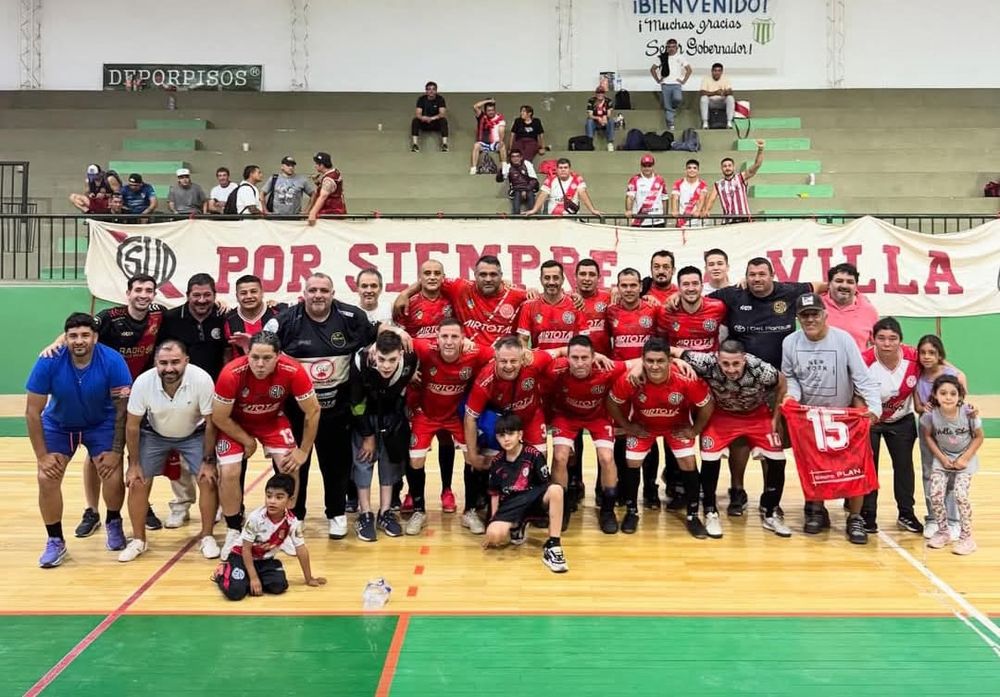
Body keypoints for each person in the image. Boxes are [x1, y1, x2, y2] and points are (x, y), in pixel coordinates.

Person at [265, 273, 407, 537]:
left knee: (337, 465)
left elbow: (377, 333)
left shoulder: (352, 317)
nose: (318, 295)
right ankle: (295, 516)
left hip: (337, 409)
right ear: (303, 292)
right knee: (295, 465)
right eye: (312, 290)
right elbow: (264, 346)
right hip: (298, 411)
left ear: (333, 293)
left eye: (324, 290)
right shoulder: (286, 321)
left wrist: (396, 330)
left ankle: (337, 513)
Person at [26, 313, 132, 567]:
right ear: (65, 338)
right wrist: (42, 456)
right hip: (60, 426)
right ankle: (55, 541)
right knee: (46, 477)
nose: (79, 340)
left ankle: (114, 522)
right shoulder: (48, 361)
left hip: (101, 424)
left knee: (113, 473)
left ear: (95, 337)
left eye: (85, 335)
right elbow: (32, 411)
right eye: (73, 336)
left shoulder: (112, 360)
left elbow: (122, 410)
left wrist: (117, 452)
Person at [780, 292, 882, 544]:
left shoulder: (843, 340)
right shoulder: (790, 342)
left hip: (843, 415)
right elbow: (791, 377)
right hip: (810, 416)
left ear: (825, 315)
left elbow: (861, 376)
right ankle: (816, 509)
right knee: (814, 465)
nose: (810, 319)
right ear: (798, 318)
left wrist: (875, 407)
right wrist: (791, 397)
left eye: (815, 314)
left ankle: (855, 517)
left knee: (853, 466)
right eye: (805, 315)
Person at [212, 331, 321, 560]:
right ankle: (234, 530)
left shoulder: (293, 370)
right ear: (247, 354)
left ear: (278, 356)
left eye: (267, 358)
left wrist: (303, 451)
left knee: (290, 466)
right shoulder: (231, 373)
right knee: (229, 472)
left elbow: (313, 410)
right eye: (255, 357)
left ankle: (286, 529)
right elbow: (220, 417)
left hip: (272, 421)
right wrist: (246, 440)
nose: (260, 364)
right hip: (236, 424)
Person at [677, 340, 790, 538]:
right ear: (718, 360)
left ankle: (771, 512)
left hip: (756, 414)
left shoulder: (760, 369)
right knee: (709, 458)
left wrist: (776, 418)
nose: (731, 369)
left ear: (744, 360)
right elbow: (670, 351)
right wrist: (680, 363)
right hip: (722, 414)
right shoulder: (705, 361)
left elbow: (782, 382)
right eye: (725, 364)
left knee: (778, 460)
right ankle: (711, 510)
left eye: (736, 364)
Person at [121, 340, 219, 562]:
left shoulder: (202, 379)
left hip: (194, 435)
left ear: (186, 361)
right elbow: (132, 425)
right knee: (137, 481)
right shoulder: (143, 382)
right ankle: (138, 540)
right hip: (155, 435)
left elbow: (212, 423)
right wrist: (133, 464)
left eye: (175, 362)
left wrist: (208, 460)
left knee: (207, 478)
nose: (169, 368)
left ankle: (207, 537)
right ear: (156, 362)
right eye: (163, 363)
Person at [607, 337, 714, 537]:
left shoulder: (686, 378)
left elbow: (707, 405)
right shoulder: (631, 379)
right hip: (644, 428)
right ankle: (631, 511)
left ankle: (692, 515)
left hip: (676, 427)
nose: (654, 366)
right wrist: (628, 426)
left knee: (689, 462)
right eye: (650, 361)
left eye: (660, 361)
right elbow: (612, 403)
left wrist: (695, 430)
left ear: (670, 361)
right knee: (631, 461)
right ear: (642, 360)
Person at [463, 338, 562, 533]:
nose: (508, 366)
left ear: (522, 358)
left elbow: (561, 351)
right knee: (495, 457)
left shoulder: (535, 360)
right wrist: (473, 454)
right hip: (504, 419)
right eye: (503, 361)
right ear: (496, 359)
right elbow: (469, 418)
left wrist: (599, 355)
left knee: (539, 458)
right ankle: (488, 502)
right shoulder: (485, 379)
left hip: (531, 415)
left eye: (513, 361)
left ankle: (535, 508)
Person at [407, 319, 489, 534]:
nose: (449, 341)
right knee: (416, 459)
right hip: (426, 414)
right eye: (444, 336)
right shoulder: (425, 348)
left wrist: (528, 355)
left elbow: (502, 354)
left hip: (456, 416)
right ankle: (419, 511)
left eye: (455, 337)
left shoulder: (475, 352)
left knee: (471, 457)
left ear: (463, 339)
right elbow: (400, 339)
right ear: (437, 338)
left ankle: (469, 511)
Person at [547, 336, 627, 534]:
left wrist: (675, 359)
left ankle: (608, 510)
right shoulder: (556, 368)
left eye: (585, 357)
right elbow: (531, 357)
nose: (580, 363)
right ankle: (561, 509)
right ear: (567, 358)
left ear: (593, 358)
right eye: (574, 357)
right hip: (565, 417)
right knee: (560, 457)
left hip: (598, 417)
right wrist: (558, 351)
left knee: (607, 458)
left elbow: (636, 363)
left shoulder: (606, 368)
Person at [606, 267, 667, 509]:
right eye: (624, 285)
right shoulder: (610, 311)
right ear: (618, 287)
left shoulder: (653, 309)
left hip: (648, 379)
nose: (629, 290)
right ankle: (624, 487)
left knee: (648, 434)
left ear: (641, 286)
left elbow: (662, 344)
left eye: (633, 285)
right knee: (622, 435)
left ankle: (651, 489)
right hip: (622, 381)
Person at [349, 331, 418, 541]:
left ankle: (385, 512)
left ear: (401, 354)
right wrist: (368, 436)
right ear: (374, 353)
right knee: (363, 461)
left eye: (392, 360)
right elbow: (356, 403)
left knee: (390, 463)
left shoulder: (411, 359)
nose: (386, 366)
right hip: (364, 415)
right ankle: (365, 513)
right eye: (381, 359)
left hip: (392, 416)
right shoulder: (361, 361)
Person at [213, 473, 326, 601]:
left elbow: (301, 549)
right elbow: (246, 549)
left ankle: (249, 576)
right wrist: (254, 578)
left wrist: (309, 578)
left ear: (290, 501)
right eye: (269, 496)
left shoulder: (292, 522)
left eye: (279, 497)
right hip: (241, 557)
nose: (272, 501)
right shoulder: (255, 518)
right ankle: (223, 572)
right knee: (236, 592)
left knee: (279, 586)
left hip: (265, 560)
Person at [482, 414, 568, 574]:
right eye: (501, 435)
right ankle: (516, 526)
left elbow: (545, 485)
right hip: (510, 504)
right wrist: (493, 520)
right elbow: (494, 493)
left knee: (556, 490)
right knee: (494, 535)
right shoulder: (496, 462)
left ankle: (554, 545)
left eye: (510, 434)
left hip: (532, 499)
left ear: (520, 435)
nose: (506, 439)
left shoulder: (533, 455)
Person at [860, 317, 923, 534]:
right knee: (869, 468)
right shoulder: (864, 361)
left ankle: (906, 513)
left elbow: (940, 364)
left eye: (893, 339)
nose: (887, 343)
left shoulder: (914, 357)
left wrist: (959, 377)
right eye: (882, 338)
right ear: (873, 340)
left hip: (902, 420)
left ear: (901, 341)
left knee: (904, 467)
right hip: (871, 421)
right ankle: (867, 514)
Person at [709, 257, 822, 370]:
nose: (757, 279)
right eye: (752, 275)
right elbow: (700, 302)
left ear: (772, 275)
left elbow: (821, 286)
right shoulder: (733, 294)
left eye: (762, 274)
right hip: (742, 375)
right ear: (746, 277)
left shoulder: (789, 291)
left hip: (783, 372)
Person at [394, 254, 528, 349]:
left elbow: (539, 300)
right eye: (483, 274)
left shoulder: (516, 295)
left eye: (493, 275)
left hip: (502, 360)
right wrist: (405, 293)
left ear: (501, 276)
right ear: (475, 275)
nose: (488, 279)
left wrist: (532, 291)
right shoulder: (461, 288)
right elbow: (432, 280)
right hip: (468, 354)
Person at [920, 375, 981, 555]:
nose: (948, 397)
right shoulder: (931, 415)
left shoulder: (968, 412)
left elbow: (979, 437)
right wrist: (941, 457)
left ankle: (967, 538)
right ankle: (944, 531)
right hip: (943, 458)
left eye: (953, 393)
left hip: (965, 458)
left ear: (960, 395)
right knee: (935, 494)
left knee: (961, 495)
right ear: (935, 395)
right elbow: (928, 436)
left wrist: (965, 458)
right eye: (943, 393)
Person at [913, 334, 966, 540]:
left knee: (951, 474)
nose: (927, 357)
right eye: (923, 353)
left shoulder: (954, 375)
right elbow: (917, 407)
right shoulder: (916, 377)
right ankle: (934, 519)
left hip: (951, 432)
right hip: (928, 430)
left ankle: (953, 521)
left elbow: (962, 402)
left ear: (940, 355)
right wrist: (922, 407)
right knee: (930, 473)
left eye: (932, 353)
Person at [516, 260, 587, 350]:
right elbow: (522, 339)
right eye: (547, 278)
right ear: (541, 279)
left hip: (567, 362)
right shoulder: (529, 306)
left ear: (563, 279)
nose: (551, 282)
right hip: (541, 361)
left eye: (556, 278)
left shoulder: (576, 304)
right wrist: (527, 355)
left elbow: (584, 341)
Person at [658, 266, 727, 353]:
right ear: (678, 288)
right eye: (686, 284)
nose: (691, 289)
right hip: (679, 364)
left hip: (709, 364)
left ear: (702, 286)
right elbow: (661, 343)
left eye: (695, 283)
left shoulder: (718, 307)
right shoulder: (666, 311)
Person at [223, 275, 287, 357]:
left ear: (262, 293)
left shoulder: (279, 316)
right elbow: (227, 353)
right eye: (243, 293)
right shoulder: (227, 319)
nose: (249, 296)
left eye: (253, 291)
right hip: (240, 369)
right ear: (237, 296)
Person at [701, 142, 766, 223]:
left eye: (729, 165)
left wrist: (760, 149)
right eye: (725, 166)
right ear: (721, 168)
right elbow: (712, 199)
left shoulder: (741, 177)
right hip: (728, 221)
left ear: (733, 167)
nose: (727, 168)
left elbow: (757, 165)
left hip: (744, 220)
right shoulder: (718, 184)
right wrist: (707, 210)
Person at [821, 263, 878, 352]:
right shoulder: (818, 306)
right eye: (839, 281)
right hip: (822, 364)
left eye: (850, 282)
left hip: (856, 365)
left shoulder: (869, 310)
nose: (844, 286)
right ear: (829, 284)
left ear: (856, 286)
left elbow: (877, 345)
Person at [394, 259, 454, 341]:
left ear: (443, 277)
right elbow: (397, 335)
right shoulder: (407, 303)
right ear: (420, 277)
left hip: (445, 351)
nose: (432, 277)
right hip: (415, 352)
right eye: (427, 273)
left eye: (437, 273)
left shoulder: (453, 301)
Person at [524, 158, 602, 217]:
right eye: (560, 168)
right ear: (557, 169)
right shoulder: (550, 180)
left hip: (571, 217)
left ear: (569, 169)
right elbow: (543, 195)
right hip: (554, 217)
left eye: (565, 167)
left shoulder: (577, 179)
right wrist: (534, 210)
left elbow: (583, 194)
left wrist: (592, 210)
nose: (563, 170)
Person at [649, 38, 691, 131]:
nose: (671, 49)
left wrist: (683, 81)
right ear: (666, 48)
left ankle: (673, 110)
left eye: (673, 47)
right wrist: (658, 80)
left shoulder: (680, 58)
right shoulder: (662, 57)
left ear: (677, 47)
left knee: (677, 98)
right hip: (665, 84)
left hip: (676, 84)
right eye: (669, 47)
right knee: (667, 106)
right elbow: (652, 69)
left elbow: (689, 69)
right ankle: (670, 123)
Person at [575, 258, 613, 356]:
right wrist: (533, 291)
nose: (587, 279)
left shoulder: (609, 297)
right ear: (575, 276)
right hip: (575, 361)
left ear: (599, 277)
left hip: (604, 362)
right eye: (583, 274)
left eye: (592, 275)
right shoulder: (567, 299)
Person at [625, 154, 669, 227]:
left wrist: (665, 217)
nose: (647, 168)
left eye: (649, 165)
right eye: (644, 166)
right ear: (641, 166)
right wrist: (628, 210)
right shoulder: (634, 180)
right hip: (639, 220)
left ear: (653, 166)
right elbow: (629, 197)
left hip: (657, 220)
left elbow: (664, 199)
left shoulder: (660, 180)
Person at [496, 149, 539, 215]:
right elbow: (499, 180)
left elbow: (534, 180)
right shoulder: (508, 166)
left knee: (530, 194)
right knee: (517, 196)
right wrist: (500, 171)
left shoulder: (527, 164)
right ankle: (516, 217)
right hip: (516, 190)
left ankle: (533, 216)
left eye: (517, 156)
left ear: (521, 157)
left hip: (528, 188)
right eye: (513, 157)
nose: (515, 158)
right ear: (510, 158)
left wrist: (525, 190)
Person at [306, 152, 346, 223]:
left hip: (330, 215)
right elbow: (332, 190)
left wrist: (313, 213)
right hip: (335, 213)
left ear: (321, 165)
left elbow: (323, 196)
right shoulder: (335, 173)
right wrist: (318, 183)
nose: (315, 166)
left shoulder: (329, 179)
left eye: (316, 164)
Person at [470, 99, 506, 175]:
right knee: (476, 145)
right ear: (485, 111)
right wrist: (488, 101)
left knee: (502, 145)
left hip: (495, 143)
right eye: (489, 110)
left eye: (492, 110)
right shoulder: (481, 117)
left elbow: (502, 130)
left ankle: (504, 167)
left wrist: (501, 141)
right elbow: (475, 106)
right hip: (484, 143)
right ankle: (473, 168)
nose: (491, 112)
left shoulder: (499, 118)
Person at [411, 81, 449, 152]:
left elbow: (442, 113)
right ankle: (415, 145)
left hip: (435, 123)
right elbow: (418, 113)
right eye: (429, 89)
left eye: (433, 89)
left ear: (436, 91)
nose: (431, 91)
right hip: (424, 123)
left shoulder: (440, 99)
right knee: (415, 120)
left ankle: (444, 144)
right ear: (426, 91)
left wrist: (432, 118)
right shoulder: (421, 99)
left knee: (443, 120)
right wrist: (422, 118)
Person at [670, 159, 709, 228]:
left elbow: (703, 198)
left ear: (698, 170)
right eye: (689, 168)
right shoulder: (678, 183)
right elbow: (674, 198)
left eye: (694, 168)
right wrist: (674, 210)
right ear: (686, 170)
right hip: (682, 222)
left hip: (698, 222)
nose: (692, 170)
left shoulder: (703, 184)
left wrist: (699, 211)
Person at [699, 62, 735, 129]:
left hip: (722, 102)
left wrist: (724, 92)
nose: (717, 73)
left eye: (719, 71)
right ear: (712, 71)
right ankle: (705, 122)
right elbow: (702, 92)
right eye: (715, 71)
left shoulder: (726, 78)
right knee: (703, 98)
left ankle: (729, 122)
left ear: (721, 72)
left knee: (730, 98)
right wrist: (715, 93)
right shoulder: (706, 78)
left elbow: (730, 91)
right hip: (711, 102)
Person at [585, 85, 616, 151]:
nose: (600, 94)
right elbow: (590, 115)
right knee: (589, 121)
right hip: (595, 121)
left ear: (604, 93)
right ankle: (589, 142)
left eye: (601, 93)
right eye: (598, 93)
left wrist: (605, 117)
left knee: (611, 120)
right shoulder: (591, 101)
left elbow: (609, 114)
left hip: (605, 121)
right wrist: (598, 118)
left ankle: (610, 143)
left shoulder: (608, 101)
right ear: (596, 93)